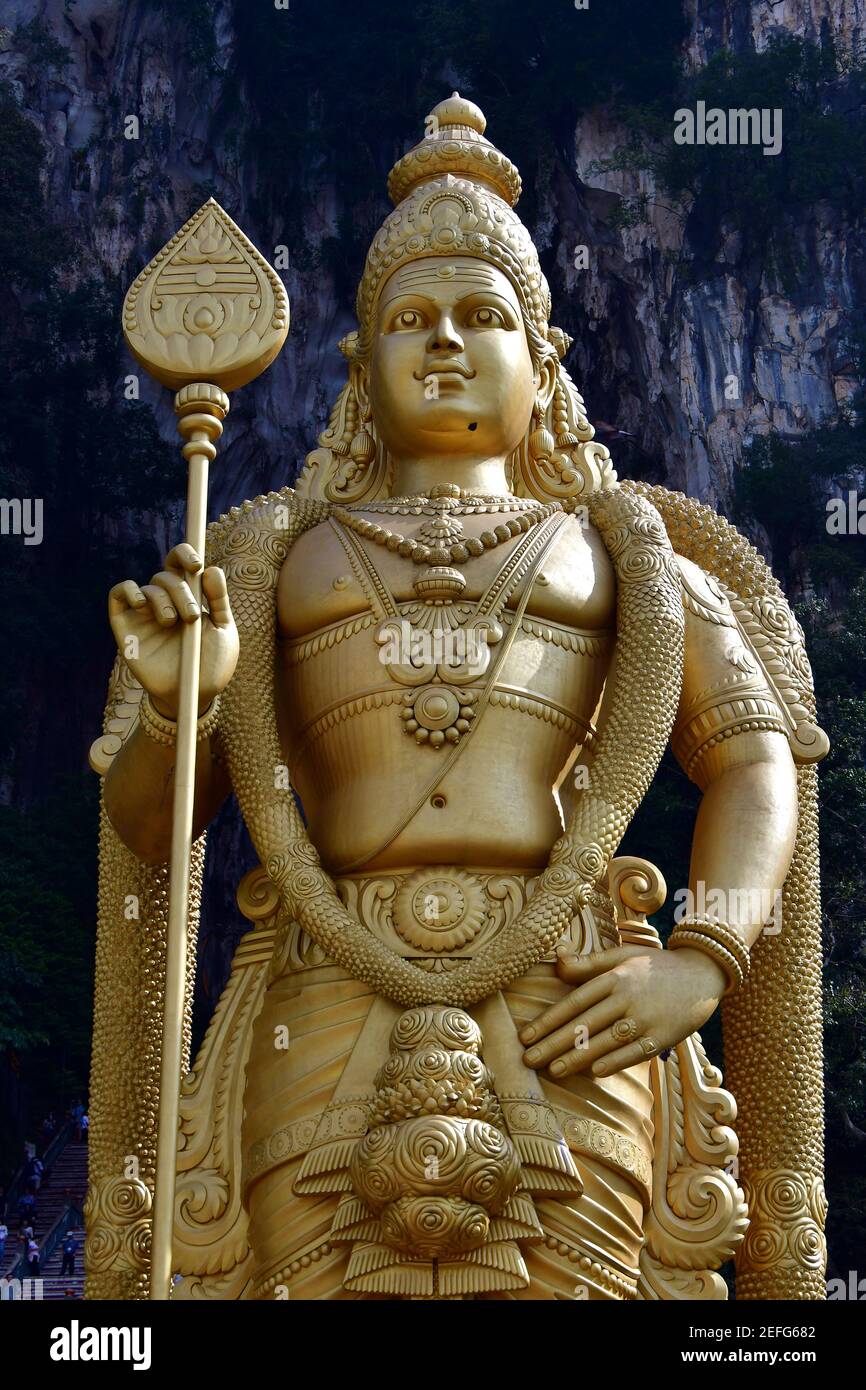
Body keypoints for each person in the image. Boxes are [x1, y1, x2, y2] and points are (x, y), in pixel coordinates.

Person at [95, 95, 827, 1301]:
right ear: (358, 367)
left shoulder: (627, 555)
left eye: (481, 316)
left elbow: (751, 761)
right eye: (409, 319)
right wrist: (179, 713)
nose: (442, 341)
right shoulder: (268, 562)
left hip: (567, 994)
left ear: (542, 363)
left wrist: (700, 958)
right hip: (326, 985)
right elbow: (146, 824)